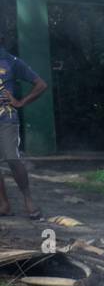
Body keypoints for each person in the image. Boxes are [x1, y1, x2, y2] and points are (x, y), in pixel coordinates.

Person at [0, 45, 47, 219]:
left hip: (6, 120)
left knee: (13, 159)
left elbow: (41, 84)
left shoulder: (11, 62)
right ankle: (4, 205)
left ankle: (28, 201)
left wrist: (20, 102)